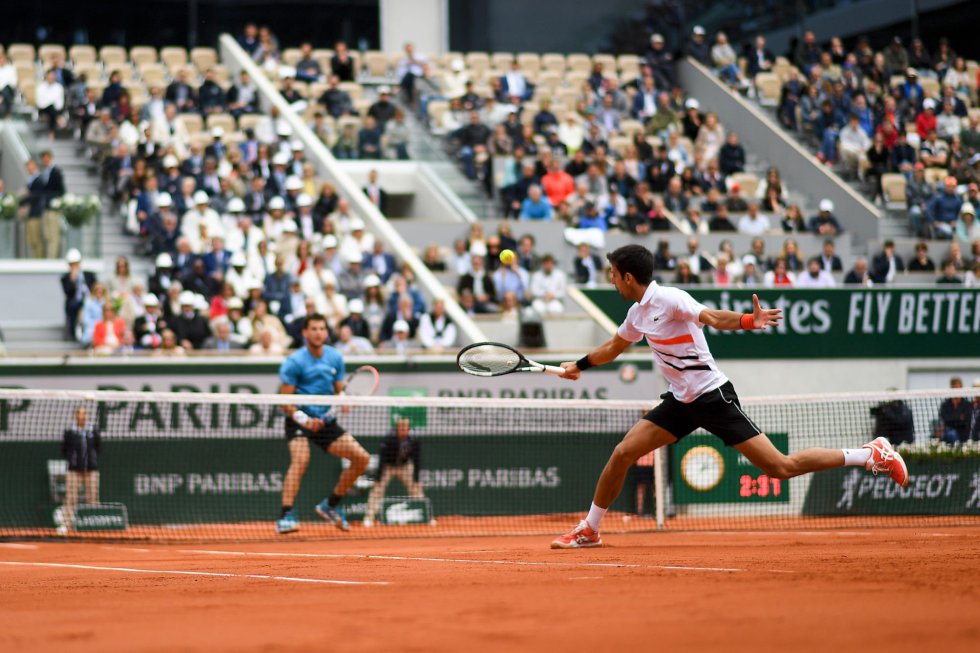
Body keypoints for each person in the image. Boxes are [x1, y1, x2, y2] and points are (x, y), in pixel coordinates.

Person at [550, 244, 909, 548]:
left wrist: (748, 321)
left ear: (628, 277)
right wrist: (579, 364)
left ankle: (868, 454)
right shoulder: (637, 313)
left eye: (613, 274)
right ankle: (590, 529)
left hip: (712, 397)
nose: (611, 280)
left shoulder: (671, 299)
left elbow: (712, 317)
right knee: (623, 453)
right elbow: (614, 346)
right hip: (680, 402)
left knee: (779, 467)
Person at [276, 314, 370, 534]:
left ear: (327, 333)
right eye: (314, 329)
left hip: (325, 420)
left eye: (322, 329)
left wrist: (344, 401)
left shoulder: (335, 357)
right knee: (301, 459)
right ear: (305, 333)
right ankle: (286, 515)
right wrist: (304, 419)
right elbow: (284, 401)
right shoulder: (294, 362)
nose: (318, 333)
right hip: (299, 419)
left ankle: (331, 505)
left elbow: (339, 390)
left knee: (361, 458)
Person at [363, 417, 429, 528]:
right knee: (377, 490)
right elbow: (382, 460)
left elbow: (417, 460)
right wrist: (378, 479)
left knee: (416, 488)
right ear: (397, 428)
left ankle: (425, 516)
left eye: (405, 428)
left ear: (408, 429)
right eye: (401, 428)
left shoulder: (414, 441)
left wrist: (416, 479)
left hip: (405, 466)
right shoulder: (388, 439)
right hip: (388, 467)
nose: (403, 430)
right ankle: (369, 518)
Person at [61, 406, 101, 532]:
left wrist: (91, 462)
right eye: (79, 414)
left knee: (93, 498)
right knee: (71, 498)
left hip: (91, 470)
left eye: (84, 414)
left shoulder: (93, 431)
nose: (82, 416)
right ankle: (66, 524)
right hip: (73, 470)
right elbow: (64, 450)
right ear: (76, 416)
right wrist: (73, 462)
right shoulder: (70, 432)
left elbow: (98, 448)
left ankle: (94, 523)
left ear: (87, 416)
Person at [938, 378, 973, 444]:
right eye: (954, 388)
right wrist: (958, 418)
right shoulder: (945, 405)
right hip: (948, 434)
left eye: (957, 388)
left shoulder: (967, 405)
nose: (956, 390)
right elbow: (944, 419)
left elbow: (966, 422)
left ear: (961, 388)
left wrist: (952, 419)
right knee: (950, 433)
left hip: (963, 435)